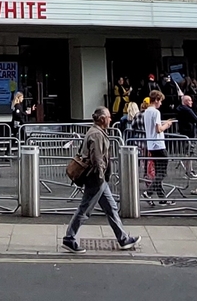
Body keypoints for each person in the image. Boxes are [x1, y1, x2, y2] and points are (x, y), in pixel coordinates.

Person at [62, 108, 139, 253]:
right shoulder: (96, 134)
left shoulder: (96, 131)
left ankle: (123, 239)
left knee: (111, 208)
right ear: (102, 118)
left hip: (99, 179)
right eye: (109, 117)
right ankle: (69, 238)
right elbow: (97, 159)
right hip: (96, 178)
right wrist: (101, 176)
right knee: (85, 209)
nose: (111, 119)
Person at [141, 89, 174, 203]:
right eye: (160, 101)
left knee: (158, 170)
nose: (161, 103)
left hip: (151, 144)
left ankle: (162, 198)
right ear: (156, 100)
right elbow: (159, 129)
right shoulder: (156, 112)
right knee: (162, 172)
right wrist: (167, 124)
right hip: (159, 144)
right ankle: (149, 192)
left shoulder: (146, 112)